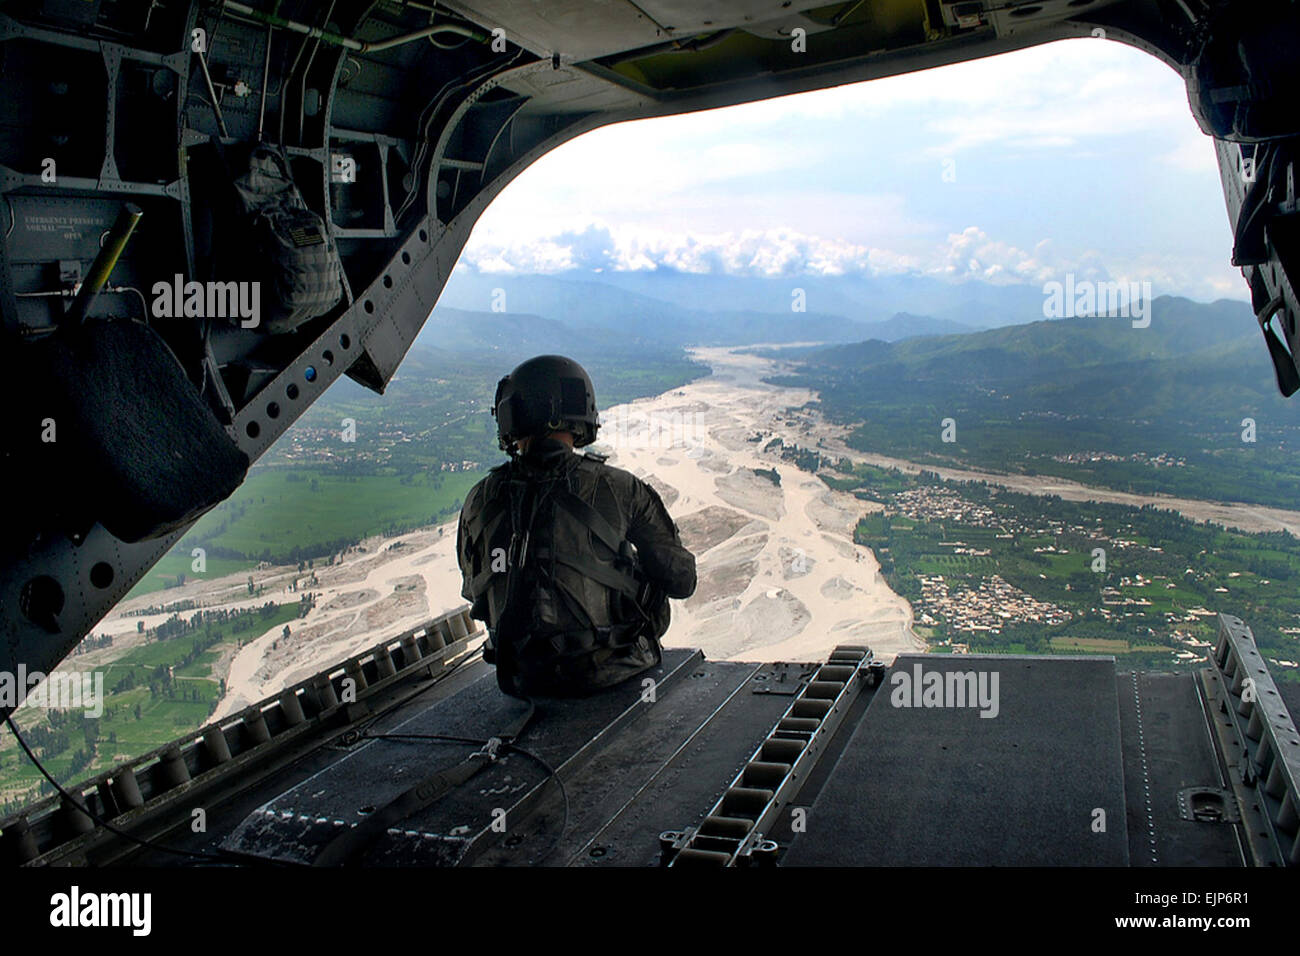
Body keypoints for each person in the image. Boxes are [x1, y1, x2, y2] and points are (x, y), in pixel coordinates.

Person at [457, 355, 696, 698]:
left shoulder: (479, 498)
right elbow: (681, 580)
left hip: (518, 679)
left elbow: (473, 589)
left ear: (511, 417)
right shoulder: (620, 488)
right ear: (581, 410)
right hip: (610, 673)